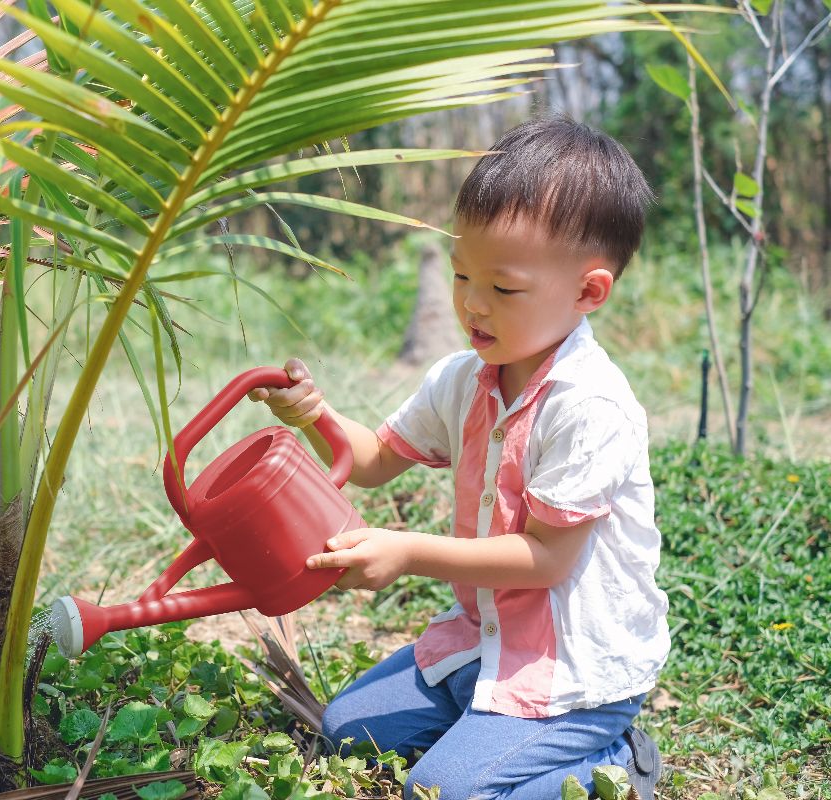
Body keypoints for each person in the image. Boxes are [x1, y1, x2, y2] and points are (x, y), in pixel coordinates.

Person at [249, 116, 670, 800]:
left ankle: (614, 765)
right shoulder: (461, 377)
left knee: (442, 793)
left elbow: (548, 560)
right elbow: (378, 456)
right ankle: (486, 726)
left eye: (503, 289)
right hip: (485, 644)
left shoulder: (591, 406)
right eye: (461, 274)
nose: (472, 303)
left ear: (589, 292)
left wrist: (408, 552)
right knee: (345, 729)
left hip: (574, 671)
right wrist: (314, 413)